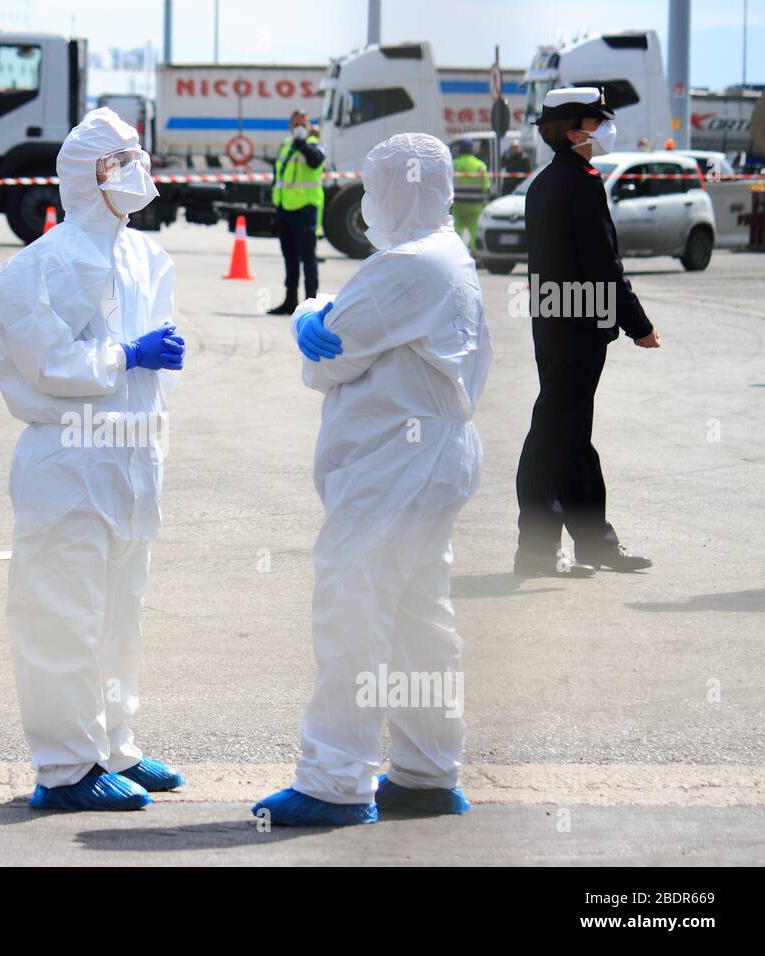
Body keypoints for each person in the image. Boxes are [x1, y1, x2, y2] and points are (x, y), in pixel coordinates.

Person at [252, 133, 493, 827]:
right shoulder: (448, 256)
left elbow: (332, 358)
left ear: (388, 190)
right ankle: (425, 771)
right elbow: (349, 326)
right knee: (419, 618)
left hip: (397, 464)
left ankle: (335, 780)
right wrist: (320, 317)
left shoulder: (407, 265)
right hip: (432, 458)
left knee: (353, 609)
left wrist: (305, 318)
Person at [0, 108, 188, 811]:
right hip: (68, 466)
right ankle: (66, 768)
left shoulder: (142, 255)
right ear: (88, 176)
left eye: (138, 155)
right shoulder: (41, 265)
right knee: (61, 613)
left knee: (120, 614)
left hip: (129, 465)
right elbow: (45, 364)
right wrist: (126, 355)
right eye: (121, 159)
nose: (138, 169)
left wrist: (150, 359)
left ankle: (113, 745)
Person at [514, 88, 660, 577]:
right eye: (597, 123)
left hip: (555, 322)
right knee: (554, 439)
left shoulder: (549, 182)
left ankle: (594, 542)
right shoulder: (578, 184)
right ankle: (535, 550)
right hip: (577, 326)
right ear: (574, 132)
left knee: (572, 437)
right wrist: (637, 323)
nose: (604, 131)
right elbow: (603, 264)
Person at [267, 110, 326, 315]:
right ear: (289, 126)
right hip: (284, 208)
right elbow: (279, 174)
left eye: (303, 124)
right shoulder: (286, 144)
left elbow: (315, 161)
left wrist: (302, 143)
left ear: (309, 126)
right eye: (295, 124)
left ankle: (310, 303)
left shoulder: (314, 144)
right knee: (289, 257)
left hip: (305, 209)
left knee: (308, 257)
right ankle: (290, 299)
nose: (298, 128)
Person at [451, 139, 489, 251]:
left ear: (460, 151)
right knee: (474, 230)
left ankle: (456, 252)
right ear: (472, 150)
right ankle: (475, 253)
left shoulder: (454, 164)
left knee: (457, 229)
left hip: (458, 204)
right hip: (475, 205)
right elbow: (486, 186)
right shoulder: (480, 165)